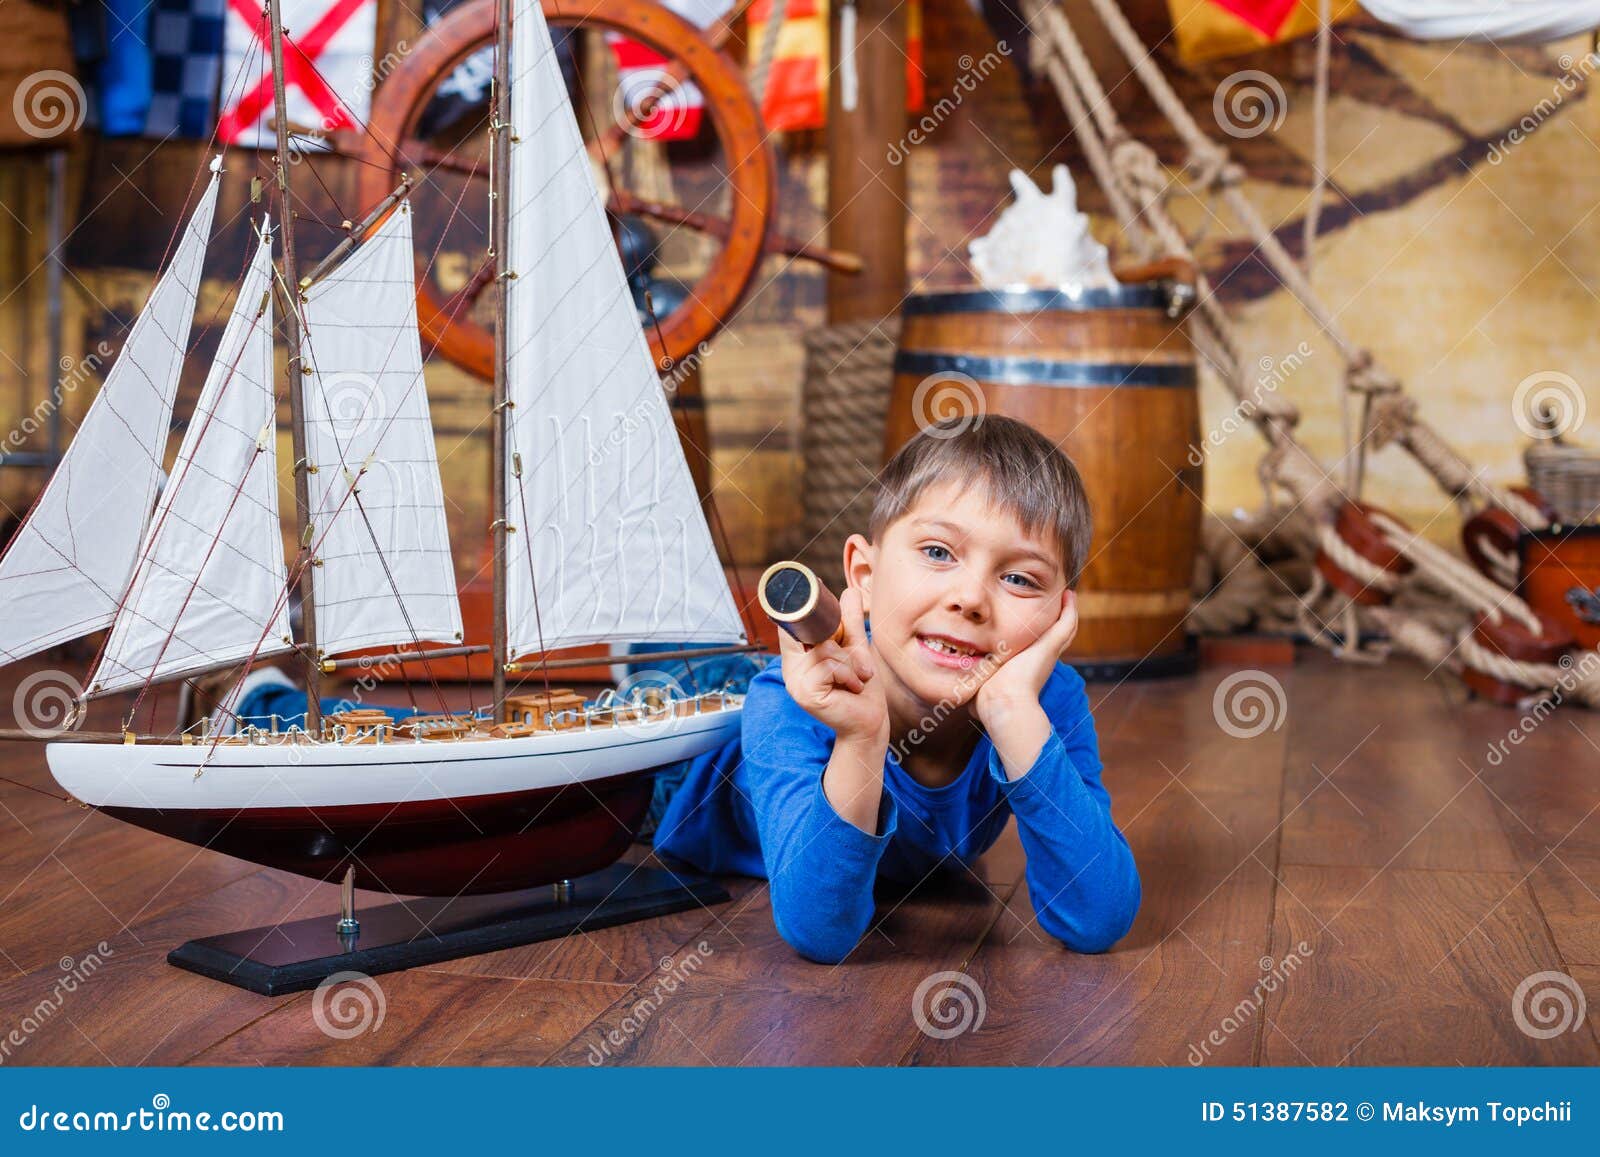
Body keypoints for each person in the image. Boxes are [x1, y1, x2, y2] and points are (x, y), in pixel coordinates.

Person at [645, 414, 1141, 964]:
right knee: (633, 720)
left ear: (1059, 615)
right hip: (688, 764)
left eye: (1020, 578)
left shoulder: (1043, 700)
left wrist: (1011, 712)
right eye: (937, 552)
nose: (970, 598)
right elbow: (818, 931)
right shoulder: (784, 705)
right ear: (864, 572)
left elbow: (1098, 918)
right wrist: (860, 739)